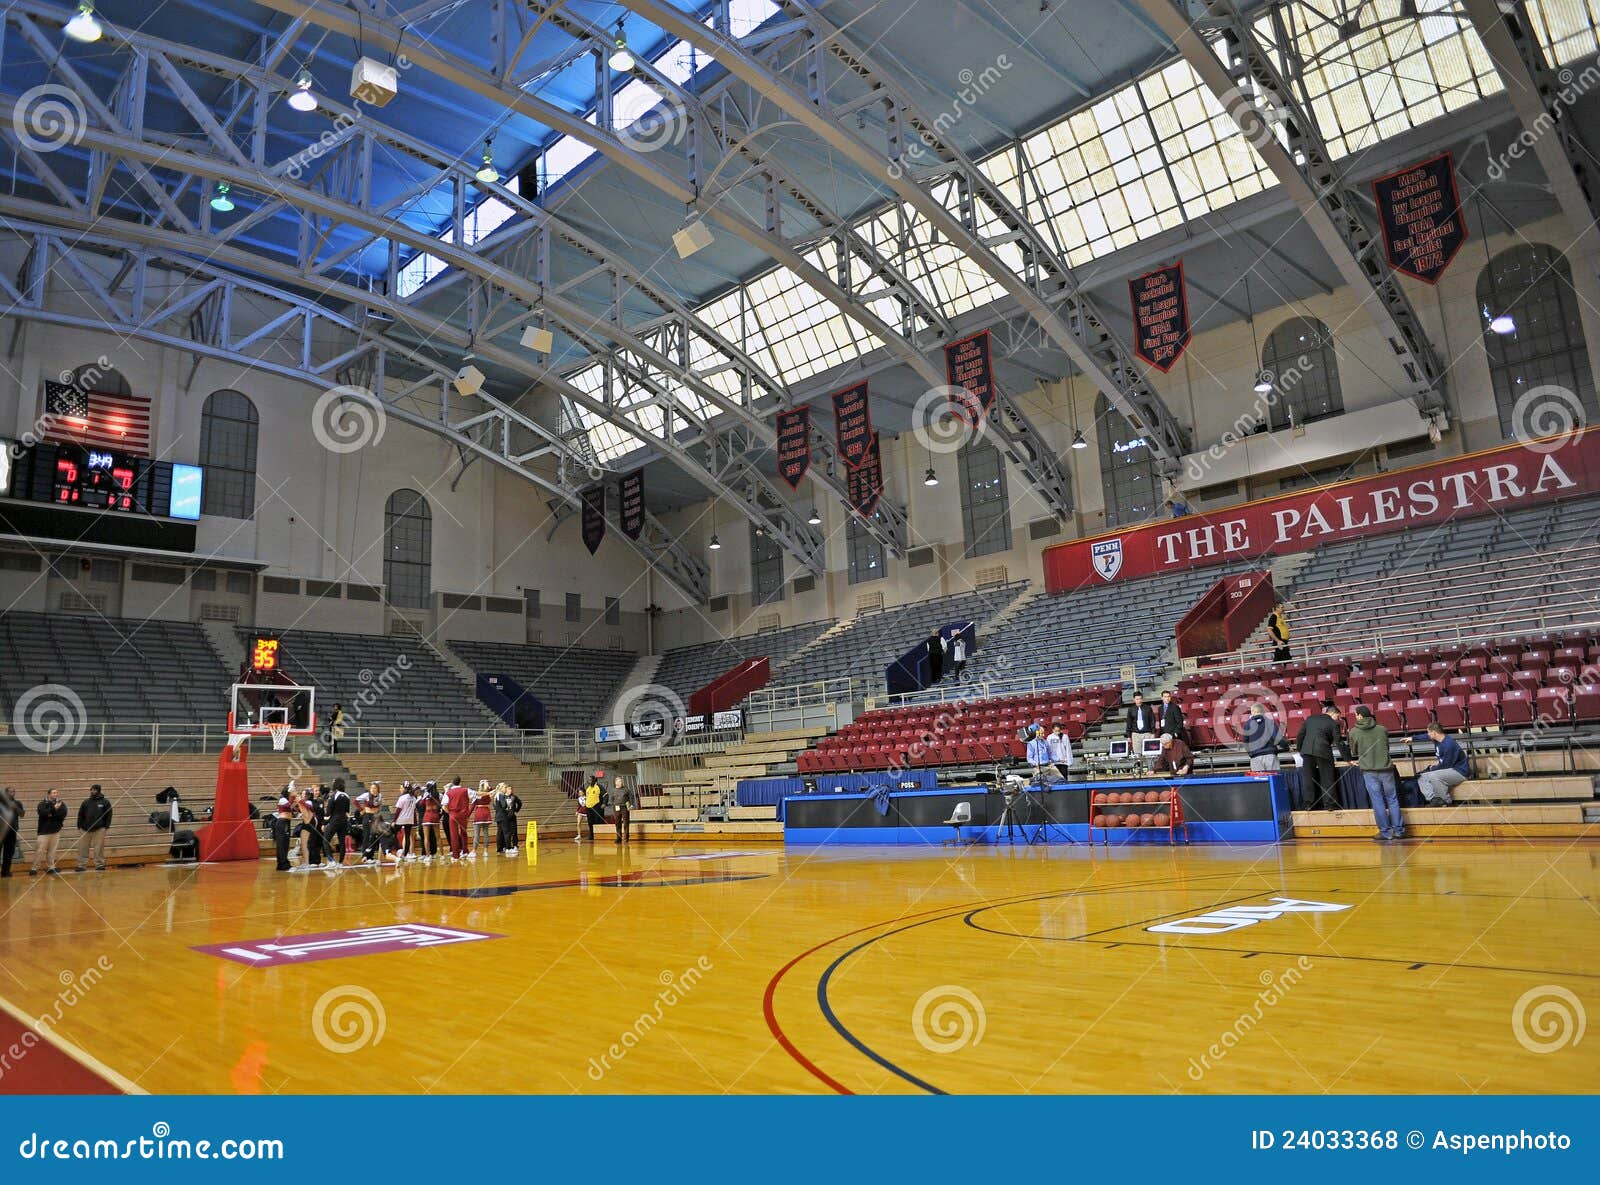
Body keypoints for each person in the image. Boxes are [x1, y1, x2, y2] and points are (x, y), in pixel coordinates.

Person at [1348, 706, 1403, 842]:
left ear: (1360, 716)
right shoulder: (1382, 729)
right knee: (1392, 799)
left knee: (1378, 801)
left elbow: (1353, 752)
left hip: (1369, 770)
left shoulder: (1353, 732)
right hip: (1386, 768)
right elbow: (1387, 747)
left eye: (1356, 715)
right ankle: (1399, 831)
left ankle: (1385, 832)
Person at [1295, 700, 1344, 812]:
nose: (1338, 719)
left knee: (1308, 779)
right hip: (1323, 752)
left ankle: (1308, 804)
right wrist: (1348, 759)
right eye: (1338, 716)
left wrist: (1300, 750)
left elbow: (1300, 736)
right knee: (1327, 778)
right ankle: (1330, 804)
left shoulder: (1310, 719)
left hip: (1307, 752)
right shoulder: (1332, 723)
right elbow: (1339, 742)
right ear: (1333, 713)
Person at [1419, 723, 1470, 806]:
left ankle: (1446, 800)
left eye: (1429, 732)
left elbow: (1445, 766)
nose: (1428, 734)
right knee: (1421, 777)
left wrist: (1431, 768)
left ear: (1434, 733)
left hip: (1459, 772)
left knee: (1434, 776)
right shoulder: (1437, 739)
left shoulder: (1449, 744)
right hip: (1448, 770)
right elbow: (1425, 736)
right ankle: (1434, 799)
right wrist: (1412, 738)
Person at [32, 788, 67, 875]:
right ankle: (34, 868)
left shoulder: (61, 803)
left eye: (56, 792)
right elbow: (42, 813)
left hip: (55, 831)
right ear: (49, 794)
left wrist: (51, 814)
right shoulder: (42, 804)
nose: (56, 794)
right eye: (54, 792)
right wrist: (54, 809)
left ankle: (50, 867)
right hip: (44, 831)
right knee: (39, 851)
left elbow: (63, 813)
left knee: (52, 851)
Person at [1242, 702, 1281, 774]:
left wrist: (1251, 753)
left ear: (1252, 712)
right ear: (1263, 712)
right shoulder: (1270, 722)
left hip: (1256, 757)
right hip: (1270, 755)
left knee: (1259, 782)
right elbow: (1279, 738)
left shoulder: (1247, 724)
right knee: (1275, 779)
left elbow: (1245, 742)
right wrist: (1286, 748)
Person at [324, 779, 352, 865]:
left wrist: (324, 822)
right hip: (344, 821)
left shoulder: (334, 796)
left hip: (335, 820)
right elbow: (347, 811)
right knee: (342, 841)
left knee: (325, 840)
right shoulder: (347, 796)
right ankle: (340, 863)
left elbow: (328, 812)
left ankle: (331, 861)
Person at [444, 777, 473, 860]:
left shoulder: (448, 792)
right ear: (460, 782)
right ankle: (465, 851)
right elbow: (476, 795)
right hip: (463, 815)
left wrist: (450, 812)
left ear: (452, 782)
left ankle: (455, 855)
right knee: (464, 832)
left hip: (453, 815)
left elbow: (444, 806)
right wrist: (488, 793)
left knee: (454, 835)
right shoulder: (466, 790)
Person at [270, 783, 295, 871]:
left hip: (286, 822)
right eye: (291, 791)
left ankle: (282, 864)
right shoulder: (282, 799)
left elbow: (289, 808)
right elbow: (288, 805)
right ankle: (283, 864)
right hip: (282, 823)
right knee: (281, 844)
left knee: (285, 844)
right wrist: (293, 796)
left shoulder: (286, 799)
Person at [0, 787, 23, 878]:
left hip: (12, 831)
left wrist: (15, 807)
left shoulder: (17, 803)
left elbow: (22, 814)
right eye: (10, 792)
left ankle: (5, 872)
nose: (12, 793)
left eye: (13, 791)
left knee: (9, 852)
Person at [494, 783, 522, 855]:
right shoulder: (501, 795)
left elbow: (495, 806)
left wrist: (515, 810)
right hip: (503, 816)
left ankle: (499, 849)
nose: (506, 789)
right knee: (506, 833)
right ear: (502, 788)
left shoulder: (496, 795)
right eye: (505, 787)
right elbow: (504, 805)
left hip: (499, 816)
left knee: (500, 833)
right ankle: (508, 848)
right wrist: (506, 808)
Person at [393, 783, 418, 861]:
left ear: (404, 788)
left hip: (401, 819)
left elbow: (398, 810)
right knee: (407, 836)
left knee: (393, 834)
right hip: (409, 819)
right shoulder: (414, 797)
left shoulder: (402, 797)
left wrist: (394, 820)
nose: (400, 789)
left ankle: (398, 849)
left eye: (401, 788)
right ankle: (405, 854)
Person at [418, 782, 442, 862]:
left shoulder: (426, 796)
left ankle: (428, 856)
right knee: (438, 836)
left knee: (426, 837)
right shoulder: (437, 795)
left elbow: (421, 804)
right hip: (435, 816)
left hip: (427, 817)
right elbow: (439, 805)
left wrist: (424, 796)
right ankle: (442, 855)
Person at [470, 780, 493, 859]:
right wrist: (489, 787)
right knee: (486, 833)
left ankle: (474, 851)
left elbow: (472, 806)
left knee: (476, 834)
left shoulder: (477, 794)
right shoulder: (489, 794)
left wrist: (467, 816)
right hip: (487, 814)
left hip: (479, 814)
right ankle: (486, 851)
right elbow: (491, 790)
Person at [610, 775, 634, 844]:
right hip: (616, 808)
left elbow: (631, 797)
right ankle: (619, 838)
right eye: (619, 781)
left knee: (626, 823)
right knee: (617, 823)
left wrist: (631, 805)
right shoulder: (613, 790)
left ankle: (626, 838)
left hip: (625, 807)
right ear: (616, 782)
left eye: (621, 781)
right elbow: (612, 799)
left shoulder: (626, 789)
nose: (621, 782)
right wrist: (613, 806)